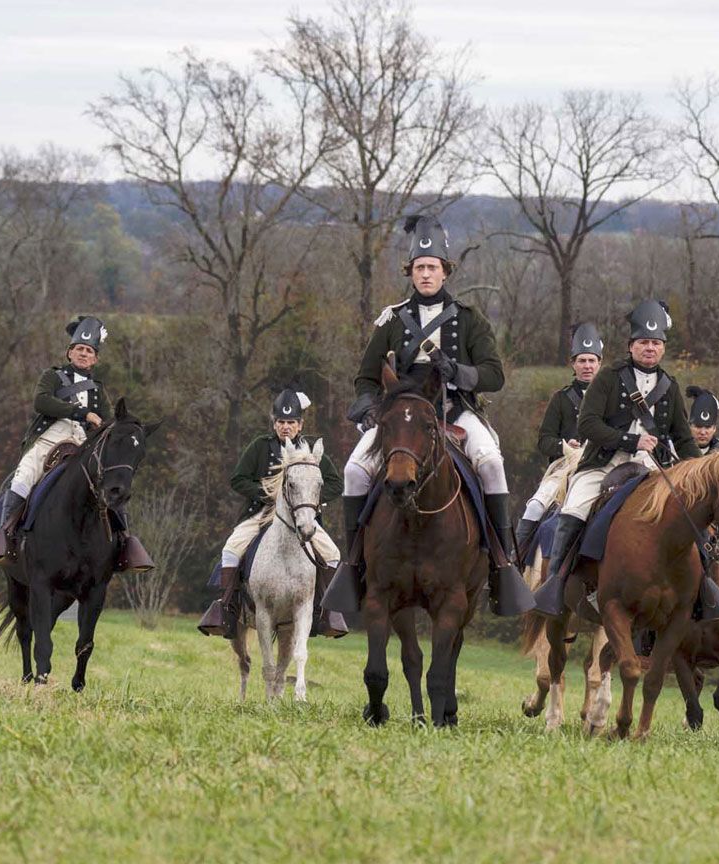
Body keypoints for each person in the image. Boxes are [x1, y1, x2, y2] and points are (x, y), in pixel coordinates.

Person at [331, 214, 534, 615]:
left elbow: (494, 375)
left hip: (456, 412)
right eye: (419, 268)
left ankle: (501, 562)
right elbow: (365, 377)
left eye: (433, 268)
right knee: (355, 471)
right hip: (401, 419)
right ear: (410, 272)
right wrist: (370, 407)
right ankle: (352, 564)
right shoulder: (391, 321)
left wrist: (458, 372)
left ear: (445, 271)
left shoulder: (469, 319)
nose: (426, 274)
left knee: (491, 464)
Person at [532, 300, 697, 615]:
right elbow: (587, 424)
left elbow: (683, 438)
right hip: (603, 464)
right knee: (574, 510)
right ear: (632, 345)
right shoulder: (608, 377)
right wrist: (631, 440)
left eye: (656, 343)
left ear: (663, 348)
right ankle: (555, 585)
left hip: (651, 470)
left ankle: (693, 596)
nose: (650, 348)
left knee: (689, 516)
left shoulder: (670, 387)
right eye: (644, 342)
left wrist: (700, 471)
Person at [0, 315, 144, 570]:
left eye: (89, 351)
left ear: (95, 359)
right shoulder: (52, 377)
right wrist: (81, 412)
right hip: (51, 437)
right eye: (79, 348)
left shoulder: (98, 390)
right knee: (23, 476)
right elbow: (42, 402)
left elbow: (108, 420)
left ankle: (124, 543)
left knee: (110, 482)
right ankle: (5, 538)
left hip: (83, 442)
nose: (83, 353)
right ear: (69, 352)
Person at [197, 389, 348, 640]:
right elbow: (238, 479)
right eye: (281, 422)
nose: (285, 427)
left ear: (300, 424)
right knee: (231, 549)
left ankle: (325, 612)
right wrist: (265, 493)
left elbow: (335, 483)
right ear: (274, 423)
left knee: (332, 554)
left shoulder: (310, 450)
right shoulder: (260, 446)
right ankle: (226, 610)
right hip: (262, 513)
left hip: (301, 518)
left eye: (291, 423)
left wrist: (309, 501)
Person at [513, 322, 603, 559]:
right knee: (534, 507)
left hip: (600, 466)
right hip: (562, 470)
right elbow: (544, 441)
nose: (587, 366)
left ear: (599, 364)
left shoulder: (611, 398)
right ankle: (515, 564)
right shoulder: (560, 399)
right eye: (582, 361)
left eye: (591, 360)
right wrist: (564, 447)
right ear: (573, 364)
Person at [684, 385, 719, 454]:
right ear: (690, 426)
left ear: (714, 428)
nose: (702, 432)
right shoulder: (675, 451)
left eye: (708, 427)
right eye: (698, 426)